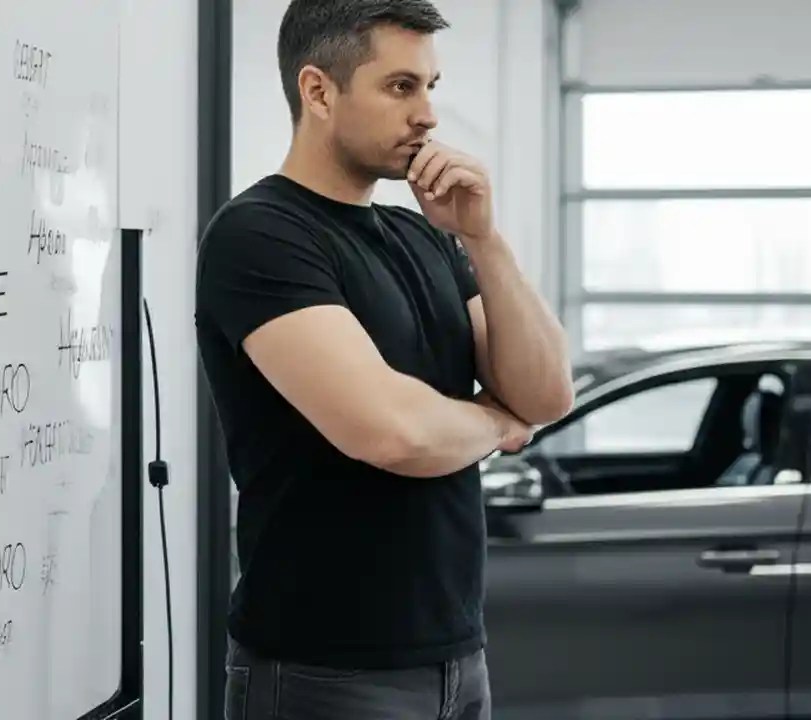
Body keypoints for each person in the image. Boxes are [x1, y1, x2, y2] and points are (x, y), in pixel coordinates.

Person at [195, 1, 575, 718]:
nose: (429, 114)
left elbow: (550, 394)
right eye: (402, 87)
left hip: (458, 658)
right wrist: (497, 424)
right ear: (318, 92)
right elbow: (391, 432)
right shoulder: (261, 236)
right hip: (324, 671)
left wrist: (485, 240)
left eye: (431, 86)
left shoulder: (423, 235)